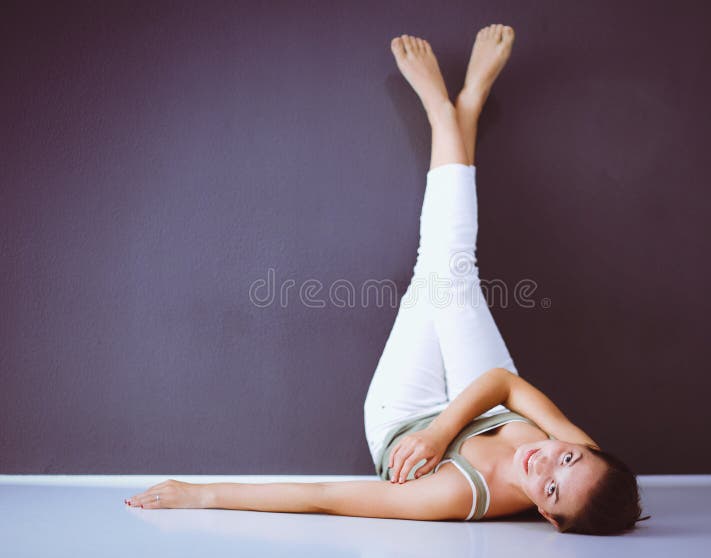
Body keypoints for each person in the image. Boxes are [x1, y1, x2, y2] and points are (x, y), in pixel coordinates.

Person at [125, 24, 648, 535]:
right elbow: (503, 384)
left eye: (553, 489)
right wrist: (452, 429)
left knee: (441, 269)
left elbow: (328, 499)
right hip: (467, 408)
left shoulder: (458, 495)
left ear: (548, 517)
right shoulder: (578, 450)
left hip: (407, 416)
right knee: (449, 268)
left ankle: (453, 114)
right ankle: (455, 114)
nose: (545, 461)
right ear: (588, 448)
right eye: (569, 457)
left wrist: (200, 493)